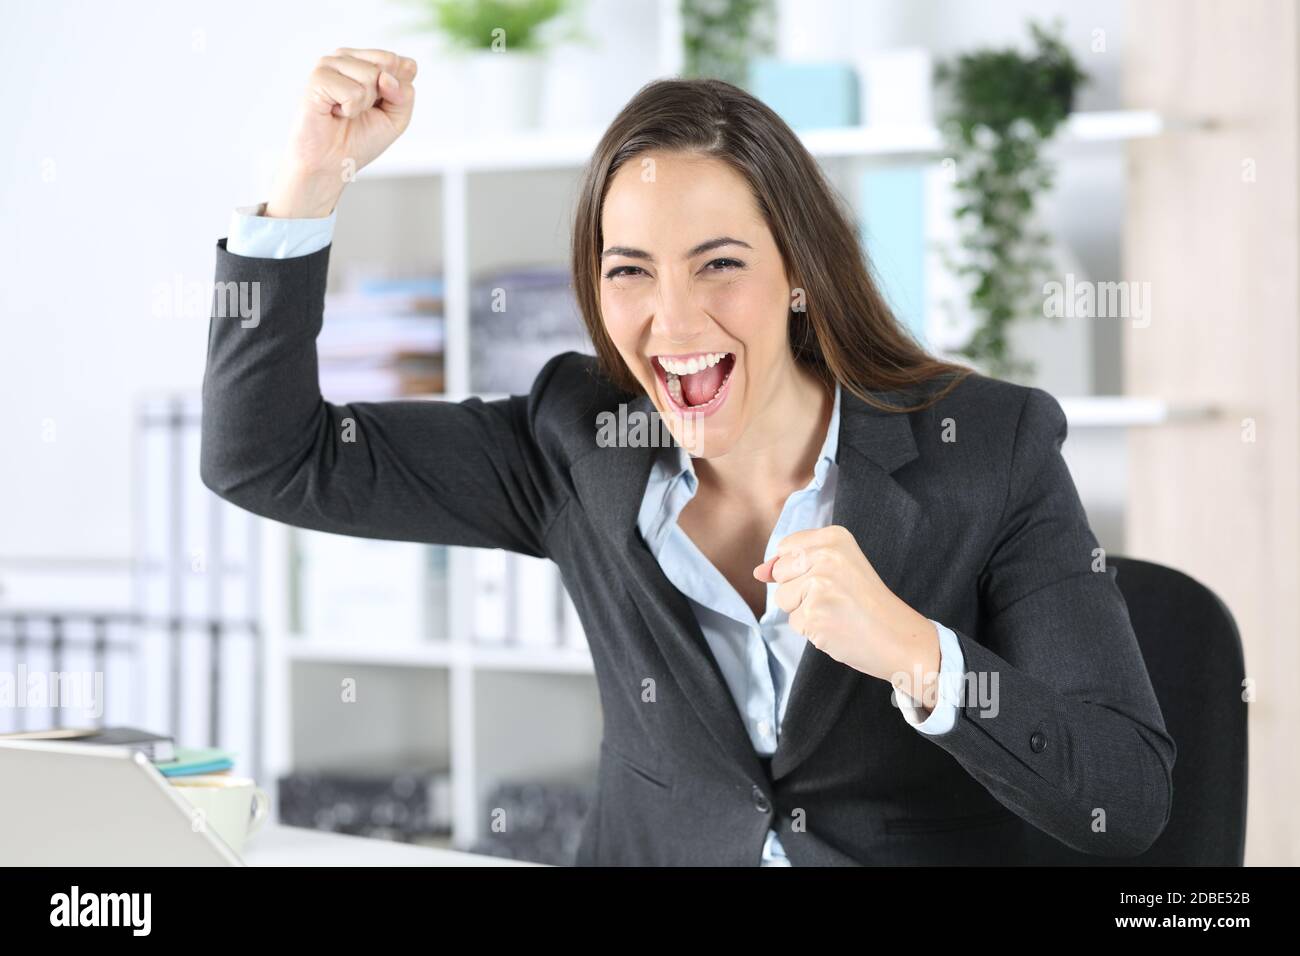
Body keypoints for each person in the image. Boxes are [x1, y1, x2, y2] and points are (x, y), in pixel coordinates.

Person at [201, 48, 1175, 865]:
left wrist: (917, 653)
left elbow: (1126, 795)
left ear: (798, 272)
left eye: (719, 264)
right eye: (629, 271)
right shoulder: (572, 441)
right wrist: (309, 181)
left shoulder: (987, 446)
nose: (672, 321)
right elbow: (266, 456)